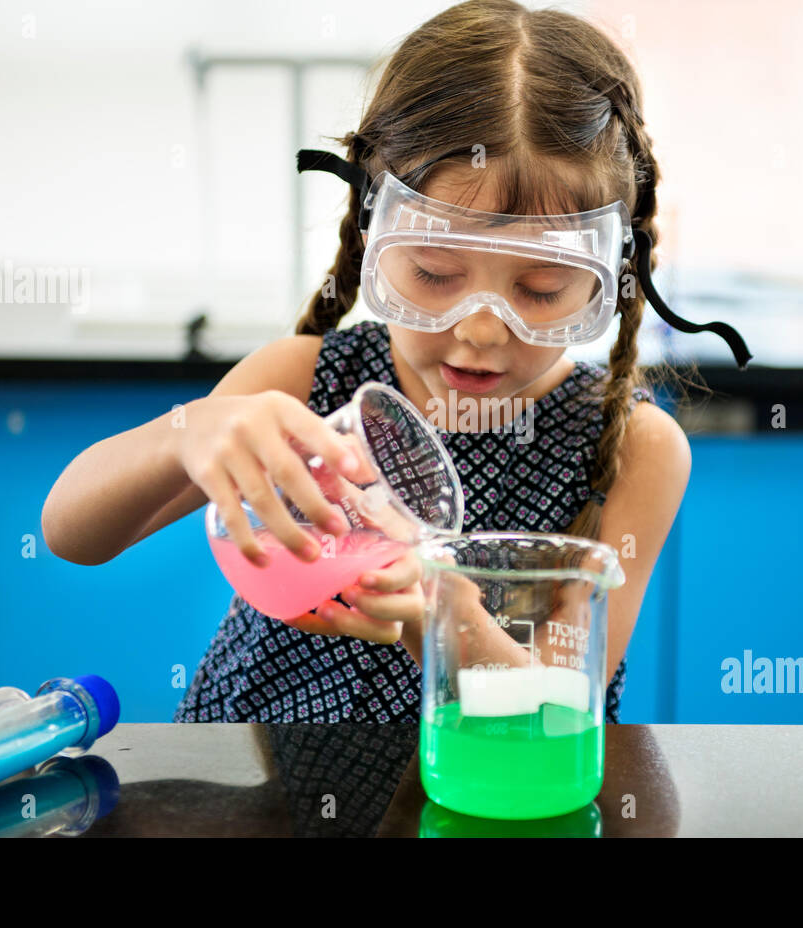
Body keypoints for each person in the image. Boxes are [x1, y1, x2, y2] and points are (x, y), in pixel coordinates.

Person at [42, 0, 749, 724]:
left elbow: (560, 710)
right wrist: (186, 433)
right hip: (251, 789)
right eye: (435, 274)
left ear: (607, 270)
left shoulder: (632, 447)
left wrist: (434, 607)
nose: (478, 329)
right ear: (376, 234)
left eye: (540, 289)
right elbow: (70, 534)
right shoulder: (302, 380)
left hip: (465, 808)